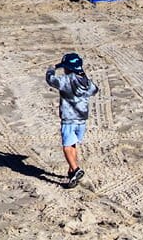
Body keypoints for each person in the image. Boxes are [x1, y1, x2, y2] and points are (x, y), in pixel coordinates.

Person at [46, 53, 98, 186]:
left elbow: (51, 80)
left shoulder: (66, 80)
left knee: (67, 147)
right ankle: (71, 171)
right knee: (73, 144)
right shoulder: (85, 81)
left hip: (69, 119)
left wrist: (51, 69)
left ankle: (76, 169)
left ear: (68, 68)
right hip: (81, 120)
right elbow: (94, 90)